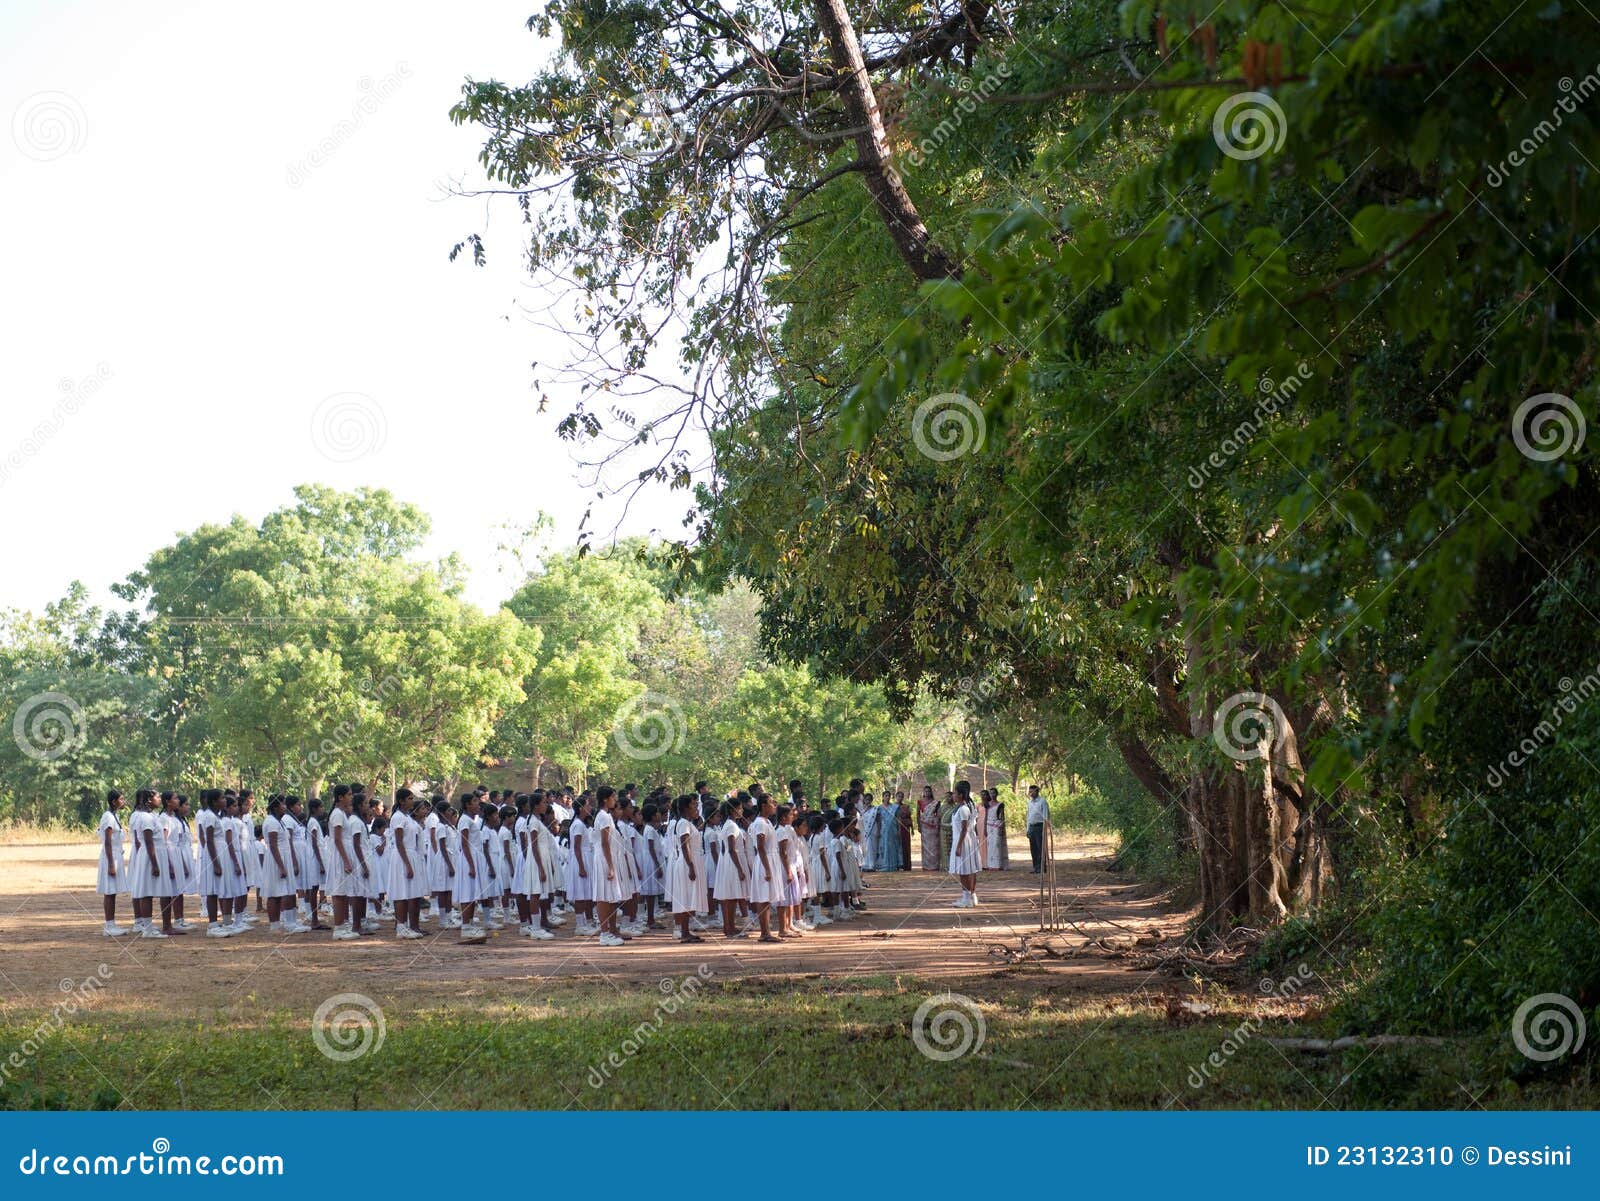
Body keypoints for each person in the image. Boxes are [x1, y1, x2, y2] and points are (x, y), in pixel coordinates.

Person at [96, 790, 130, 936]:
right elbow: (108, 842)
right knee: (109, 891)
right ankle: (109, 926)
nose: (124, 801)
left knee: (113, 891)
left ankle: (112, 924)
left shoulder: (113, 816)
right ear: (114, 801)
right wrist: (111, 864)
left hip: (116, 855)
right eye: (121, 799)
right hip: (111, 856)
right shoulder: (108, 817)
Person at [949, 781, 982, 908]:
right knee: (970, 869)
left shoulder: (963, 809)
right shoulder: (967, 806)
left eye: (955, 793)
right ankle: (972, 896)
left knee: (964, 871)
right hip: (968, 840)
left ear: (961, 795)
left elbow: (963, 829)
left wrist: (958, 846)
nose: (953, 795)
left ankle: (966, 898)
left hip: (963, 841)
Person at [1025, 784, 1049, 874]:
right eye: (1030, 792)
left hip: (1040, 826)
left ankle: (1043, 868)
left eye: (1032, 791)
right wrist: (1027, 829)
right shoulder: (1030, 803)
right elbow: (1028, 816)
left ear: (1037, 791)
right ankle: (1036, 867)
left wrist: (1045, 829)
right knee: (1033, 848)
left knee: (1041, 848)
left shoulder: (1042, 801)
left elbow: (1046, 816)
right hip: (1032, 827)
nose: (1031, 793)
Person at [982, 789, 1009, 869]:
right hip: (988, 825)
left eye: (993, 793)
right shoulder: (987, 804)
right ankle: (991, 864)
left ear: (996, 794)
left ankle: (998, 864)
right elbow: (986, 816)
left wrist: (1001, 827)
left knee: (997, 844)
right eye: (990, 793)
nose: (992, 795)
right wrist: (984, 828)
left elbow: (1002, 817)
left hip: (997, 825)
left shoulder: (1000, 804)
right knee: (990, 845)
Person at [918, 786, 940, 871]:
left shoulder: (935, 802)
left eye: (928, 791)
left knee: (934, 846)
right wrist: (919, 826)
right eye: (925, 791)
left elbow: (938, 815)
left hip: (933, 827)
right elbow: (918, 814)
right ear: (923, 792)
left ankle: (934, 865)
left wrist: (936, 824)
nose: (927, 793)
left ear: (931, 792)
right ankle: (926, 865)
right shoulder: (920, 802)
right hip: (924, 827)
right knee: (925, 847)